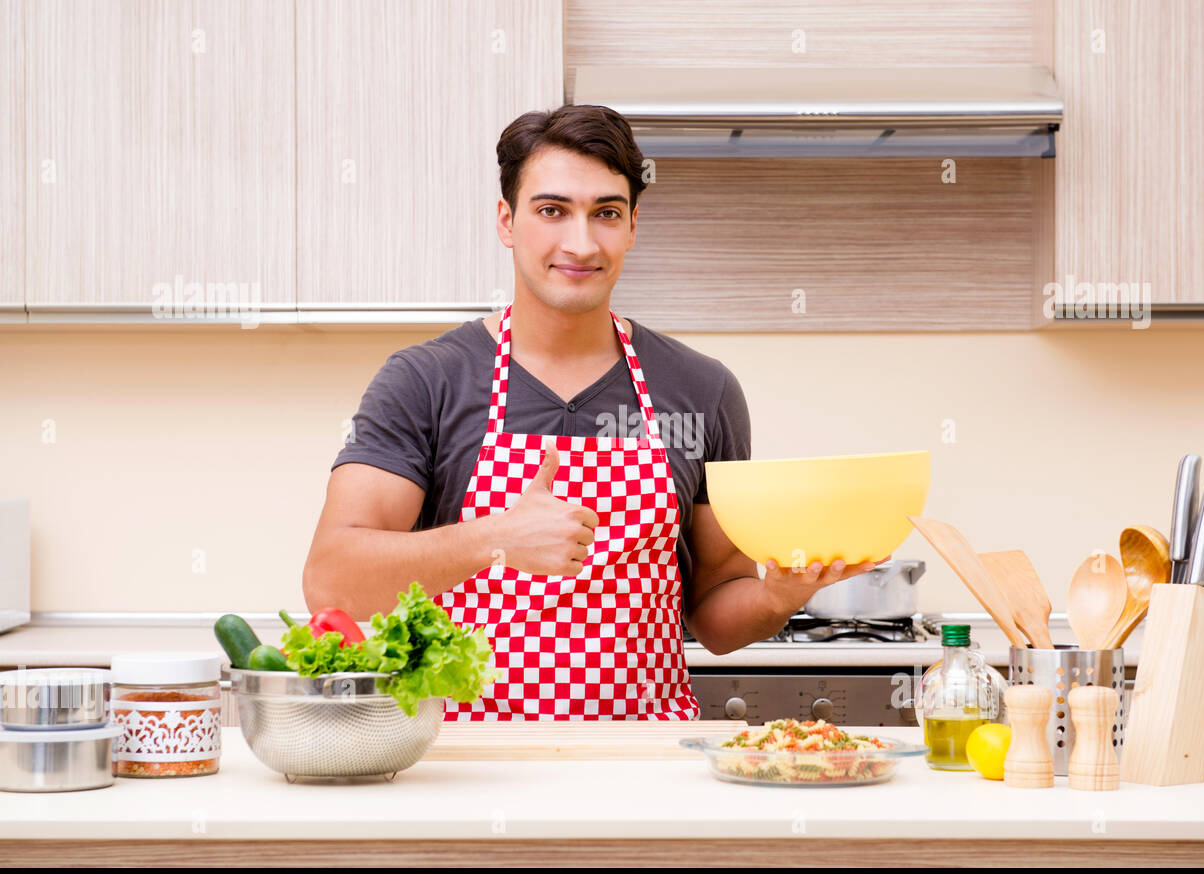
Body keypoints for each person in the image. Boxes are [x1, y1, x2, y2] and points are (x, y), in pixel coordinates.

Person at [303, 104, 886, 719]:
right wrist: (494, 539)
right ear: (507, 220)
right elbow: (331, 579)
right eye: (552, 210)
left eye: (605, 213)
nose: (580, 243)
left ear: (633, 225)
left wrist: (775, 596)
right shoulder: (426, 381)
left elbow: (714, 614)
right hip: (467, 765)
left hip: (642, 764)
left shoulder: (702, 389)